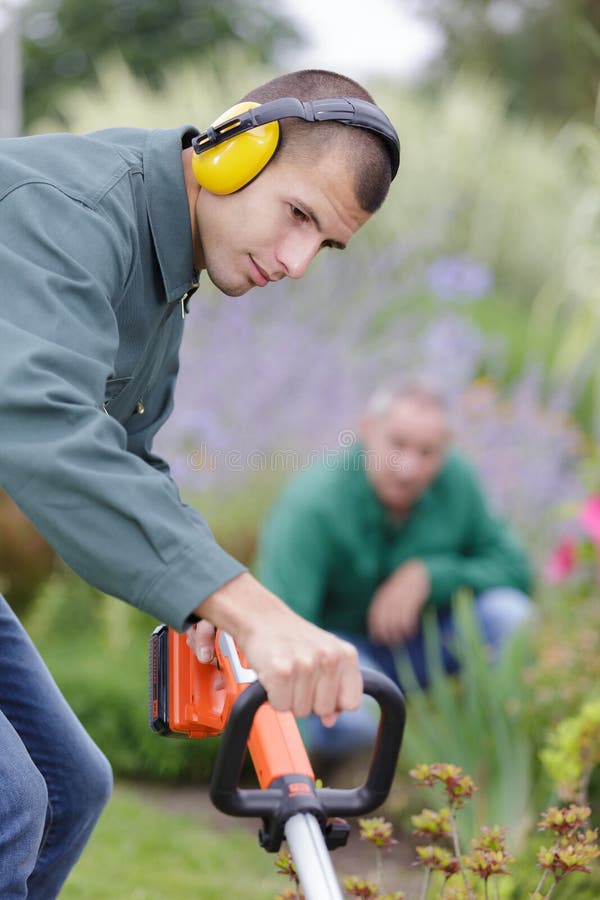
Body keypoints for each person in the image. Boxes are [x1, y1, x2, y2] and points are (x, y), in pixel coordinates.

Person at [0, 68, 400, 897]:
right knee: (9, 804)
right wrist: (244, 601)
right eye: (297, 214)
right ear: (231, 147)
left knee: (72, 789)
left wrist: (199, 606)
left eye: (323, 243)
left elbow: (123, 455)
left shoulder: (165, 271)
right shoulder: (67, 215)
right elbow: (43, 431)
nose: (295, 262)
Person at [256, 381, 534, 758]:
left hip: (421, 645)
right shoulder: (313, 505)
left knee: (512, 616)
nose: (409, 468)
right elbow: (281, 627)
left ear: (446, 447)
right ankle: (341, 766)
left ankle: (497, 744)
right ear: (368, 430)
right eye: (397, 445)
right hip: (338, 651)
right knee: (363, 718)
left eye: (427, 452)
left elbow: (516, 569)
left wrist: (430, 576)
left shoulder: (458, 481)